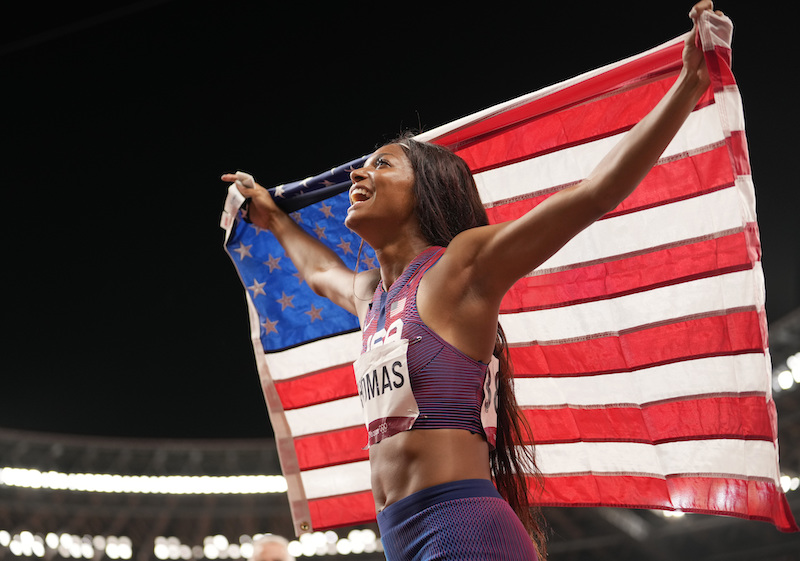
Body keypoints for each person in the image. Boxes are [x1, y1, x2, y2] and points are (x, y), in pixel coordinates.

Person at [222, 3, 723, 559]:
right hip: (401, 539)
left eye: (383, 164)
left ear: (426, 191)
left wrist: (687, 83)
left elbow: (592, 195)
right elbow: (319, 272)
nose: (358, 174)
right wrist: (273, 217)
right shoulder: (373, 298)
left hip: (463, 528)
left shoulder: (460, 266)